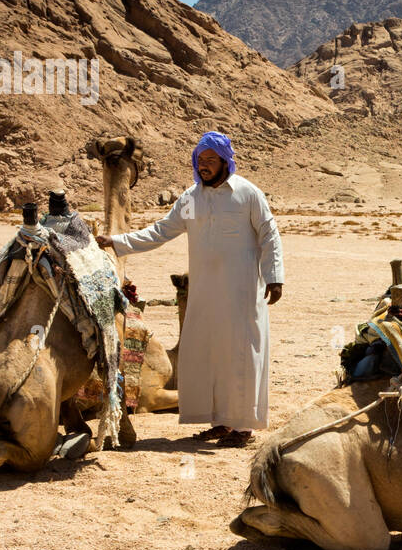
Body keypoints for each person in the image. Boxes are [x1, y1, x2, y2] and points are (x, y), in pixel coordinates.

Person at [96, 132, 284, 447]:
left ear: (226, 161)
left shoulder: (248, 194)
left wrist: (274, 276)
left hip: (242, 293)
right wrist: (117, 241)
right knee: (208, 356)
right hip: (205, 295)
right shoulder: (191, 199)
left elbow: (269, 234)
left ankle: (242, 427)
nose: (204, 166)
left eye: (211, 160)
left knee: (240, 357)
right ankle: (221, 422)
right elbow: (160, 231)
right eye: (200, 160)